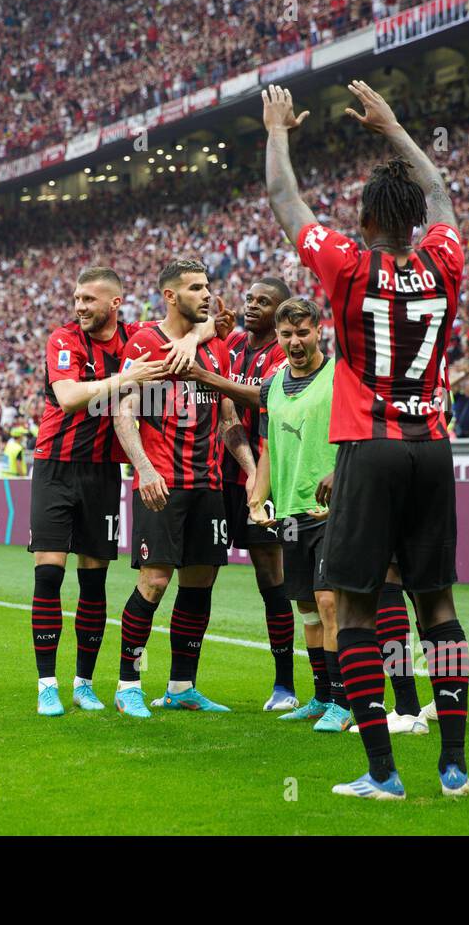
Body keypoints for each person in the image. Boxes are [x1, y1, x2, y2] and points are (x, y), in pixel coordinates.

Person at [263, 80, 469, 799]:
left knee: (352, 607)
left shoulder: (349, 266)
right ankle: (453, 767)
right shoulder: (444, 261)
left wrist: (278, 132)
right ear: (417, 219)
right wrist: (393, 127)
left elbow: (286, 203)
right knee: (437, 606)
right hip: (433, 447)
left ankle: (383, 771)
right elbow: (442, 190)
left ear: (361, 218)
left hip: (369, 447)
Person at [27, 266, 203, 716]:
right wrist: (126, 379)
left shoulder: (135, 339)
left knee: (94, 579)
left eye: (89, 299)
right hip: (56, 467)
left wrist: (190, 340)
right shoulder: (63, 340)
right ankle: (47, 683)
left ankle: (83, 682)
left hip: (104, 473)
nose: (80, 306)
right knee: (49, 574)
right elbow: (68, 397)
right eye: (77, 298)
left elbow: (210, 317)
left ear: (115, 303)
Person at [112, 259, 257, 717]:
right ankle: (127, 683)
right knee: (154, 581)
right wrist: (145, 469)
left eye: (207, 286)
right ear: (170, 296)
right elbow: (124, 413)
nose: (206, 294)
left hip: (209, 486)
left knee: (200, 583)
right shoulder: (146, 344)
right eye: (196, 288)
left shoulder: (214, 349)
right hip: (162, 485)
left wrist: (252, 472)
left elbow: (230, 421)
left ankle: (181, 686)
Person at [179, 276, 299, 711]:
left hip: (270, 479)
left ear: (281, 313)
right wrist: (210, 332)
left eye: (263, 302)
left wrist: (207, 375)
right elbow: (226, 411)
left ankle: (285, 685)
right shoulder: (230, 346)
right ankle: (183, 684)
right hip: (216, 478)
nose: (252, 306)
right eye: (249, 299)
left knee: (273, 579)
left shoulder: (283, 355)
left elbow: (261, 398)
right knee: (201, 574)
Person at [247, 297, 350, 731]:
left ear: (319, 330)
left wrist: (338, 471)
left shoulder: (340, 375)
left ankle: (345, 703)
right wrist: (257, 497)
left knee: (330, 603)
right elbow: (269, 449)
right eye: (286, 334)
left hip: (331, 508)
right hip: (289, 511)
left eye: (302, 332)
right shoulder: (272, 384)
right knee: (306, 606)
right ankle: (321, 696)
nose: (294, 341)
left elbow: (359, 435)